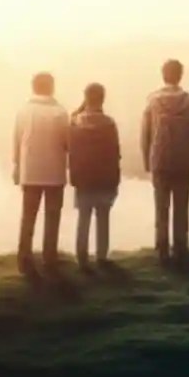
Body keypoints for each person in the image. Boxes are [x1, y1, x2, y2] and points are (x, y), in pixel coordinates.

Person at [141, 59, 189, 266]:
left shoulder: (153, 101)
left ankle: (162, 248)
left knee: (162, 206)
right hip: (184, 160)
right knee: (181, 206)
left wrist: (147, 160)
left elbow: (146, 134)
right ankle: (181, 247)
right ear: (180, 75)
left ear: (163, 75)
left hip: (160, 158)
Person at [13, 72, 70, 276]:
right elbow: (67, 143)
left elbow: (17, 140)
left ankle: (24, 257)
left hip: (30, 171)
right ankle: (49, 257)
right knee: (52, 217)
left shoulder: (24, 111)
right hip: (54, 172)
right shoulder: (61, 112)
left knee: (28, 216)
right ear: (52, 87)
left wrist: (17, 166)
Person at [69, 83, 120, 272]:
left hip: (83, 178)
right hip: (105, 177)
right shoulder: (109, 123)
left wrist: (73, 176)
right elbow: (114, 153)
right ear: (103, 98)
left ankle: (81, 256)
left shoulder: (75, 122)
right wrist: (115, 179)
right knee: (103, 217)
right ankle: (101, 256)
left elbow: (71, 152)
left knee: (83, 217)